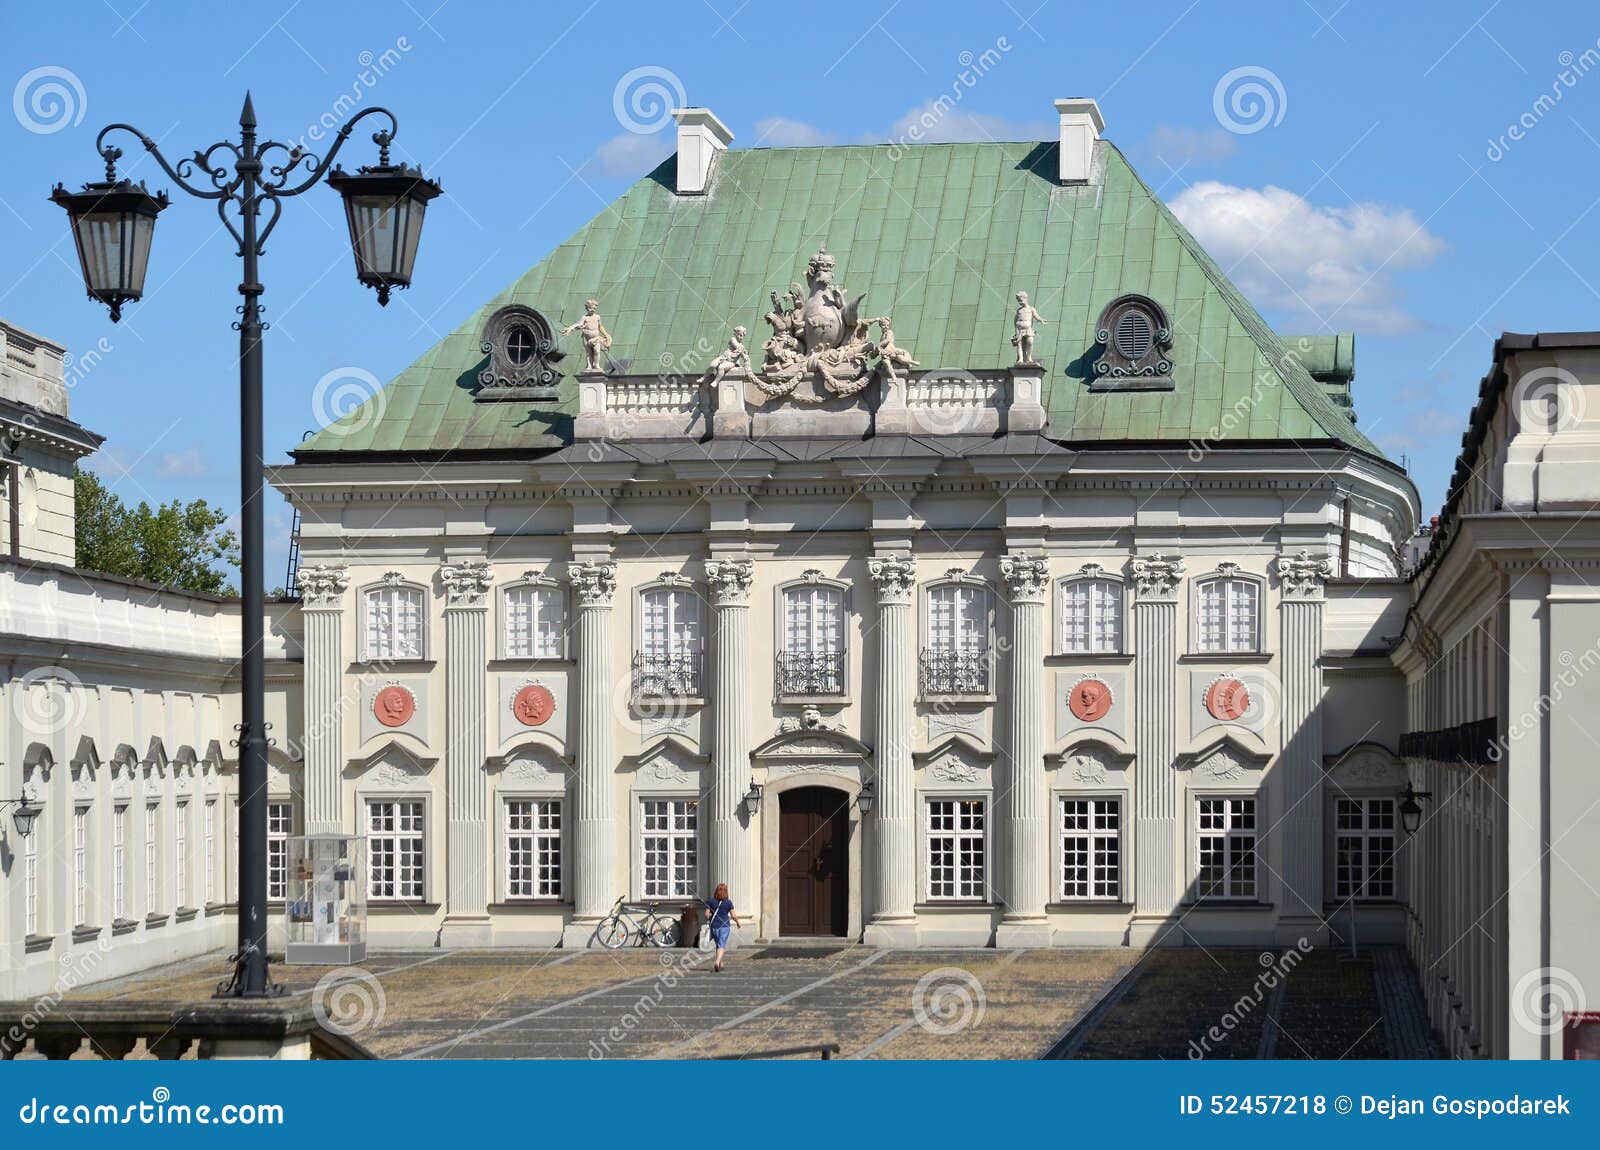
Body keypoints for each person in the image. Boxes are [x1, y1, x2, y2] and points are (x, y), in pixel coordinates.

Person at [703, 882, 739, 972]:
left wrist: (711, 917)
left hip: (714, 926)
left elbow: (706, 914)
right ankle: (717, 962)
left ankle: (721, 963)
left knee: (719, 944)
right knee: (721, 944)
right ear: (726, 892)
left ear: (716, 891)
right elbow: (733, 915)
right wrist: (738, 922)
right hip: (725, 926)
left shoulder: (711, 901)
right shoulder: (728, 902)